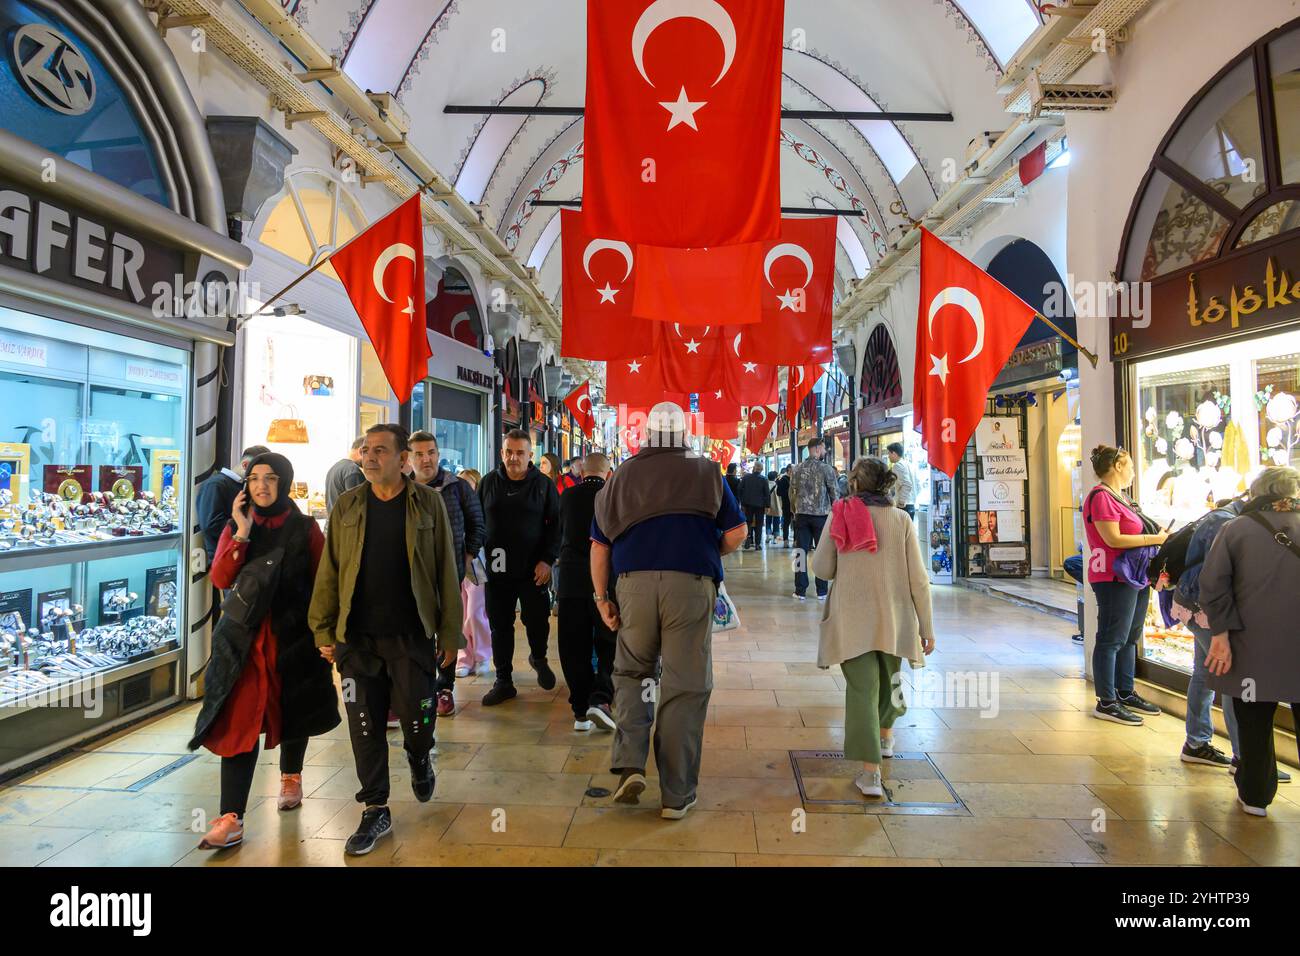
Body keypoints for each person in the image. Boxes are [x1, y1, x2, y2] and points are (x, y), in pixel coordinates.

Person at [309, 423, 464, 856]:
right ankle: (375, 807)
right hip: (356, 640)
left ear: (402, 460)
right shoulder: (346, 506)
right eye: (365, 450)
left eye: (380, 450)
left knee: (417, 719)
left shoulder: (427, 504)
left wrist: (450, 632)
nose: (370, 457)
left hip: (411, 636)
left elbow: (445, 572)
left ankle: (419, 755)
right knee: (364, 726)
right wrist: (324, 630)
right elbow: (330, 571)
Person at [591, 402, 747, 819]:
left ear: (646, 434)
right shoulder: (706, 470)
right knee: (685, 685)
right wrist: (708, 552)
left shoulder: (622, 474)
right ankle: (676, 796)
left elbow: (599, 545)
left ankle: (629, 765)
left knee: (632, 673)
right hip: (690, 587)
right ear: (684, 432)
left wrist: (601, 598)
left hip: (633, 587)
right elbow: (737, 532)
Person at [190, 452, 339, 850]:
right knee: (239, 724)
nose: (261, 486)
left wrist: (328, 633)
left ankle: (291, 775)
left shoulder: (306, 528)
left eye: (270, 478)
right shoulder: (239, 527)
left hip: (293, 640)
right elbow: (221, 577)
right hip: (243, 646)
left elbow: (324, 583)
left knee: (294, 711)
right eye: (254, 478)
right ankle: (231, 817)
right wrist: (239, 531)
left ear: (284, 482)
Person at [812, 456, 935, 799]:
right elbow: (919, 581)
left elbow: (821, 568)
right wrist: (927, 627)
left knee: (863, 691)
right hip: (894, 620)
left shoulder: (841, 513)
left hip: (852, 620)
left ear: (854, 483)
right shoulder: (902, 520)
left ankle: (870, 776)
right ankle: (885, 738)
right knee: (890, 680)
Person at [1202, 466, 1300, 816]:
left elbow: (1213, 585)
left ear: (1258, 491)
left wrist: (1221, 634)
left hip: (1251, 645)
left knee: (1254, 720)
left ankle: (1256, 796)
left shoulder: (1237, 529)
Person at [1083, 444, 1167, 726]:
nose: (1133, 471)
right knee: (1111, 637)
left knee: (1130, 636)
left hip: (1135, 574)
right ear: (1117, 466)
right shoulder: (1101, 497)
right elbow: (1113, 539)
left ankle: (1125, 691)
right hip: (1113, 575)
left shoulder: (1123, 498)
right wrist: (1155, 540)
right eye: (1130, 465)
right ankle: (1106, 701)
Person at [477, 429, 561, 706]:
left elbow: (557, 527)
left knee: (536, 621)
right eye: (509, 452)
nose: (514, 458)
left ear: (530, 456)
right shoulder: (488, 483)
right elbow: (476, 522)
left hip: (533, 570)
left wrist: (547, 560)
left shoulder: (544, 486)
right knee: (500, 626)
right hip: (497, 571)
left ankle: (538, 657)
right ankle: (504, 681)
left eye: (520, 453)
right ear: (502, 453)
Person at [410, 430, 485, 718]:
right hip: (415, 577)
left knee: (447, 631)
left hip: (450, 574)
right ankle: (418, 686)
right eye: (419, 453)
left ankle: (444, 687)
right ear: (409, 457)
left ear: (438, 455)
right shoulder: (405, 489)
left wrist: (465, 558)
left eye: (430, 452)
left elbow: (477, 523)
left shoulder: (457, 487)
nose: (426, 459)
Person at [557, 453, 617, 732]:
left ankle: (579, 708)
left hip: (571, 579)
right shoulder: (613, 496)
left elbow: (558, 534)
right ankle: (601, 698)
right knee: (608, 640)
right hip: (606, 579)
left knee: (573, 644)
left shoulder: (567, 497)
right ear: (608, 473)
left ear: (582, 472)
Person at [195, 444, 270, 564]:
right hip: (224, 560)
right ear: (245, 465)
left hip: (242, 559)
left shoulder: (243, 486)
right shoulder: (216, 485)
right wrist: (248, 525)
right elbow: (211, 526)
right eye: (257, 473)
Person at [454, 469, 493, 678]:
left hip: (476, 562)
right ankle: (464, 657)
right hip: (455, 562)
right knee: (459, 612)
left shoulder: (478, 506)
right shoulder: (451, 503)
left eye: (468, 483)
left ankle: (482, 655)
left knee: (474, 612)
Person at [791, 437, 840, 601]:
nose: (825, 451)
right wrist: (837, 513)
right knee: (823, 552)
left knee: (800, 552)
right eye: (824, 448)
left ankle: (800, 590)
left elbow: (792, 493)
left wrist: (794, 511)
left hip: (801, 516)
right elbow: (834, 493)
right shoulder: (826, 469)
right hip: (821, 517)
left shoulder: (797, 469)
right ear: (818, 448)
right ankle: (822, 590)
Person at [325, 436, 366, 512]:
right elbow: (359, 506)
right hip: (346, 523)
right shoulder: (353, 471)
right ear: (361, 451)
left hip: (334, 522)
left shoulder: (335, 467)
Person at [740, 463, 770, 550]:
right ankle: (757, 544)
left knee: (748, 522)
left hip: (748, 504)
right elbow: (767, 494)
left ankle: (748, 538)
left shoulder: (746, 478)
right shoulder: (764, 479)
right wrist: (767, 506)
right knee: (759, 524)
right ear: (761, 469)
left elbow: (739, 489)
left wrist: (742, 501)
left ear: (754, 468)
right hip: (760, 505)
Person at [887, 442, 918, 520]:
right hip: (911, 504)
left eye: (889, 453)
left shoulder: (897, 466)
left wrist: (901, 501)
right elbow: (918, 485)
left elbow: (907, 484)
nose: (888, 456)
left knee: (901, 532)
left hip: (904, 506)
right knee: (909, 531)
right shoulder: (909, 465)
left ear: (894, 453)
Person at [777, 464, 793, 546]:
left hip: (794, 504)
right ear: (788, 470)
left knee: (795, 523)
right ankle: (786, 540)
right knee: (786, 522)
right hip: (787, 504)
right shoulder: (783, 479)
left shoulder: (795, 479)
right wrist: (788, 492)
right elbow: (779, 492)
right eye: (792, 470)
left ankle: (795, 541)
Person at [765, 471, 781, 541]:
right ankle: (776, 536)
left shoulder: (765, 485)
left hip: (767, 506)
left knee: (768, 521)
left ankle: (768, 535)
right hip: (776, 505)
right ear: (775, 477)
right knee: (776, 521)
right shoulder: (777, 485)